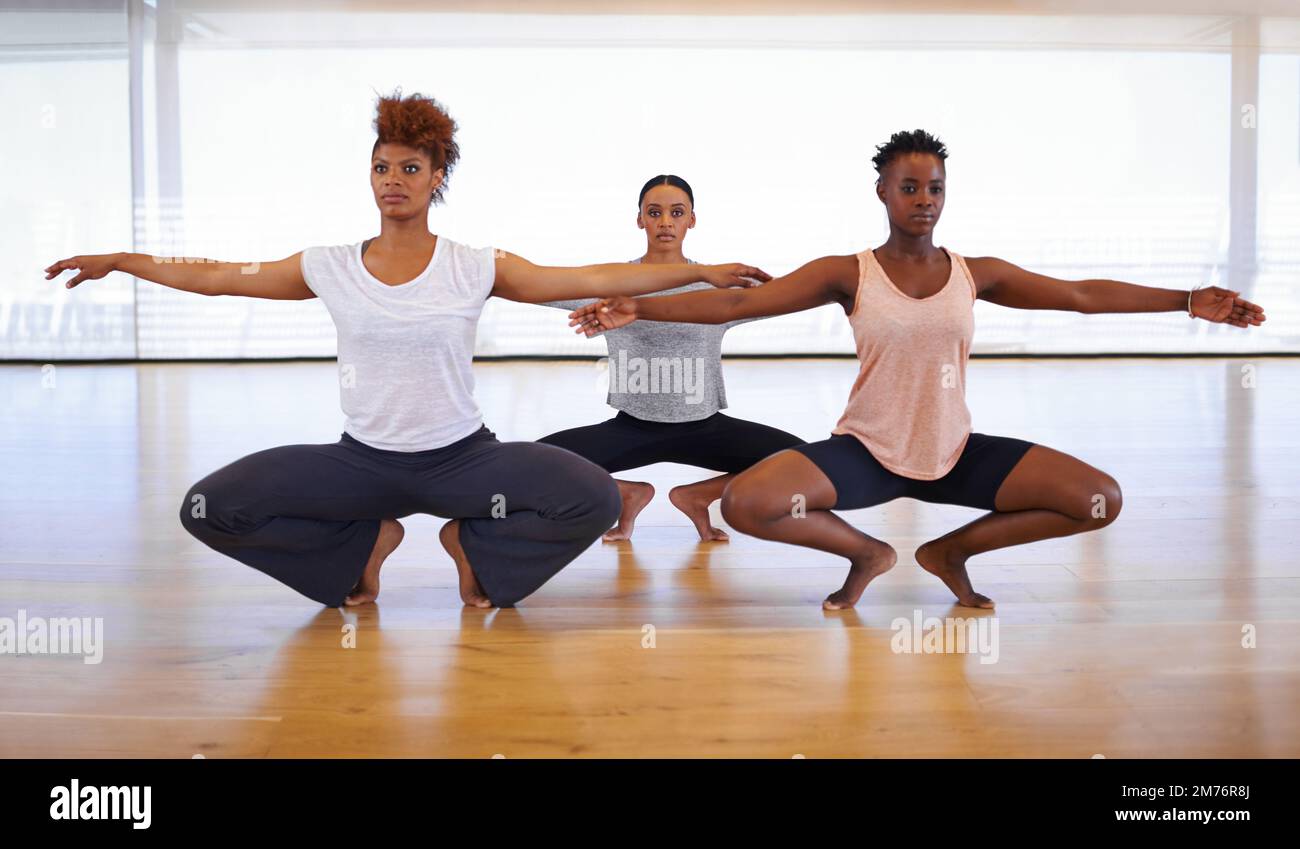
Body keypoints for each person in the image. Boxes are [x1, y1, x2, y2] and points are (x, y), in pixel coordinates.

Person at [44, 91, 768, 610]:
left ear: (437, 178)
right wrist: (122, 258)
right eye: (383, 167)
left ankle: (476, 554)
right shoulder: (327, 264)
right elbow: (218, 279)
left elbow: (587, 277)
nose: (395, 180)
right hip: (360, 464)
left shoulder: (473, 264)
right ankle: (360, 554)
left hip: (464, 460)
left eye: (411, 168)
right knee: (207, 506)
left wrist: (695, 269)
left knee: (592, 494)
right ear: (371, 176)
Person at [569, 129, 1266, 610]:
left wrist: (1187, 300)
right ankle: (868, 553)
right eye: (909, 186)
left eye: (934, 186)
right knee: (749, 502)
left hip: (953, 451)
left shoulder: (975, 273)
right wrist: (642, 308)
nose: (923, 198)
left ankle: (950, 552)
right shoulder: (848, 272)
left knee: (1098, 498)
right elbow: (734, 303)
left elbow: (1080, 294)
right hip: (867, 454)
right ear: (882, 191)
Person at [535, 174, 804, 542]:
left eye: (676, 213)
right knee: (532, 464)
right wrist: (485, 279)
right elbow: (539, 287)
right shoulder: (611, 284)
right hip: (631, 428)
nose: (665, 222)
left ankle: (697, 497)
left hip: (706, 427)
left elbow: (791, 294)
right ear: (639, 219)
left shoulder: (715, 286)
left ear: (691, 219)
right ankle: (627, 494)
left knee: (803, 463)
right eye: (654, 212)